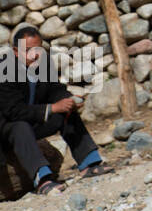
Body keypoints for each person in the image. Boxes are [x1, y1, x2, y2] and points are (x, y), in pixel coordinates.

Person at [0, 26, 110, 194]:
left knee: (66, 112)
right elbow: (14, 111)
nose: (34, 55)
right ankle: (43, 178)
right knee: (19, 126)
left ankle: (89, 163)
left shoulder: (42, 63)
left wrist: (67, 99)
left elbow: (55, 89)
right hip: (7, 129)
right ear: (16, 51)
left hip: (32, 121)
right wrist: (52, 107)